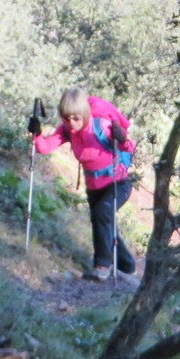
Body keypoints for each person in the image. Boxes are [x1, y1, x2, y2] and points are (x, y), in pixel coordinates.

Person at [29, 87, 139, 285]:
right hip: (94, 187)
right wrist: (37, 134)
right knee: (102, 221)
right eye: (66, 118)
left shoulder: (101, 125)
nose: (71, 123)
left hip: (118, 183)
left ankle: (102, 267)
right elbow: (44, 147)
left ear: (85, 114)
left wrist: (121, 138)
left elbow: (129, 147)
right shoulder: (67, 130)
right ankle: (127, 264)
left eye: (76, 118)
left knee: (103, 214)